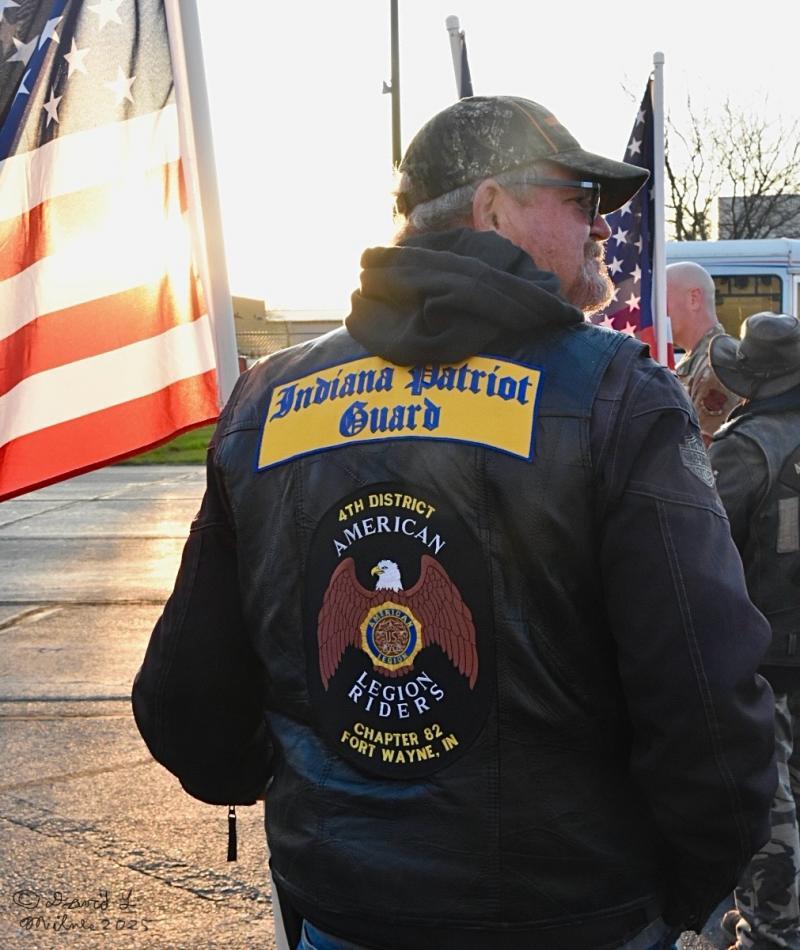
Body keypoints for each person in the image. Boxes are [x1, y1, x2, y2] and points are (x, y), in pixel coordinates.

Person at [132, 95, 776, 950]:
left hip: (342, 910)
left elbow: (188, 707)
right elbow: (706, 696)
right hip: (579, 914)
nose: (598, 229)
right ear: (492, 206)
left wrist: (319, 807)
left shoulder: (267, 400)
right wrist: (682, 891)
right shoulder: (618, 395)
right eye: (580, 199)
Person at [708, 312, 800, 950]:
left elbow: (697, 543)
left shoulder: (744, 447)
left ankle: (771, 929)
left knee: (766, 794)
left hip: (767, 651)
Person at [666, 260, 741, 445]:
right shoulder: (697, 358)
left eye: (662, 299)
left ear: (694, 299)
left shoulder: (717, 365)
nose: (656, 311)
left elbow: (704, 452)